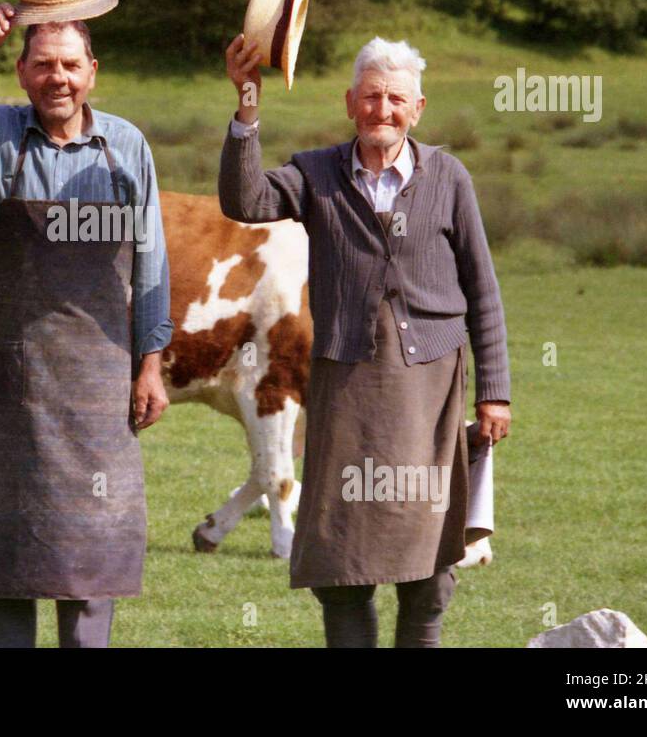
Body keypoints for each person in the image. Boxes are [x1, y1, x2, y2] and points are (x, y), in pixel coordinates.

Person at [219, 33, 512, 647]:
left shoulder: (449, 176)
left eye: (396, 99)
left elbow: (482, 291)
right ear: (350, 102)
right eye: (372, 97)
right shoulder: (316, 173)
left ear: (419, 107)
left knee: (428, 563)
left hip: (431, 391)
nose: (384, 109)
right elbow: (244, 199)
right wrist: (248, 107)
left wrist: (495, 394)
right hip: (346, 387)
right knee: (344, 562)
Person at [0, 3, 172, 647]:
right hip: (5, 385)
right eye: (44, 65)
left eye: (71, 65)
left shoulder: (126, 146)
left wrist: (151, 362)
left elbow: (152, 259)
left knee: (92, 560)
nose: (59, 78)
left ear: (93, 73)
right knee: (4, 560)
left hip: (98, 383)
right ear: (21, 73)